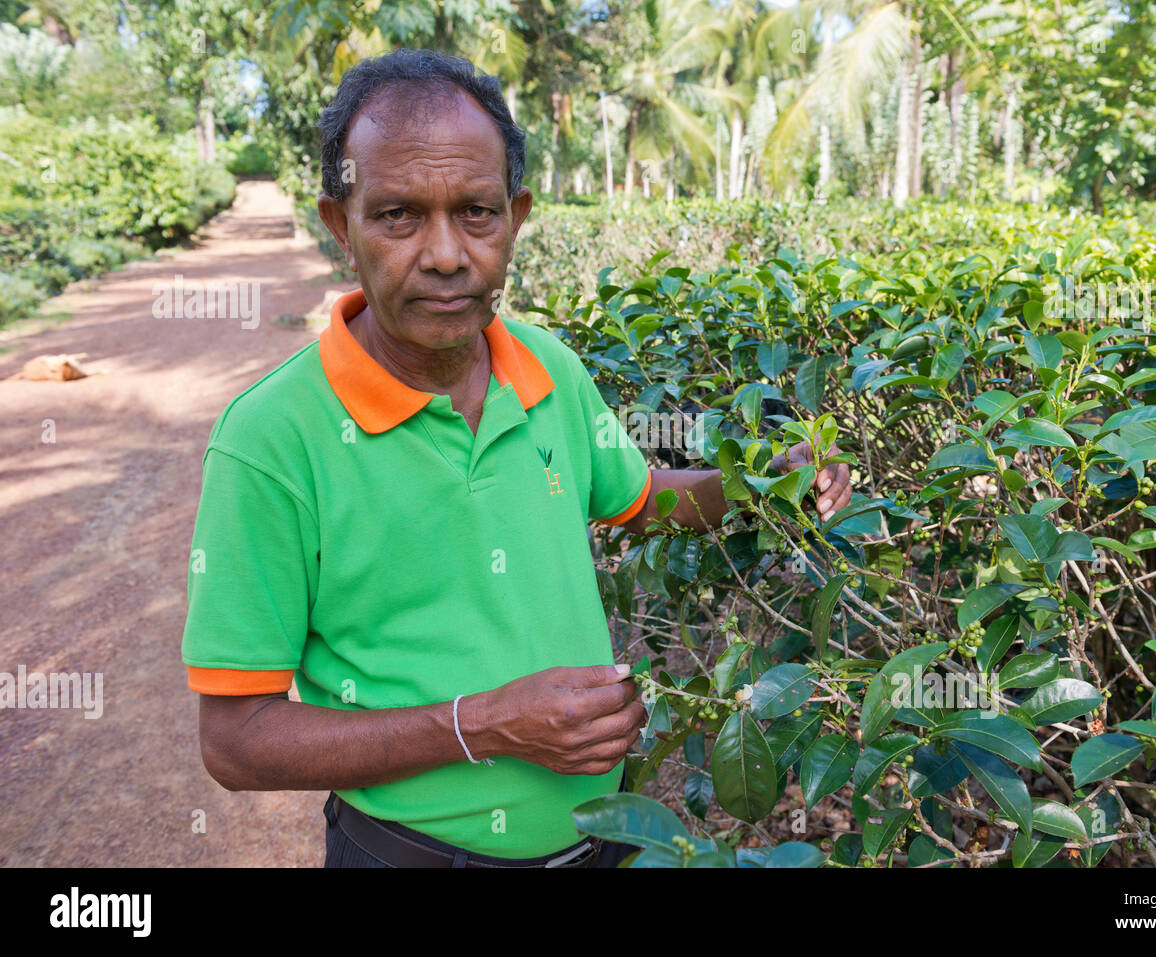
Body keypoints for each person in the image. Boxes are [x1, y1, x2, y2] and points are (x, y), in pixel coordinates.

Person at [181, 48, 851, 868]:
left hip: (599, 842)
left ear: (517, 217)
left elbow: (641, 499)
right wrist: (481, 724)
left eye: (476, 212)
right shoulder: (271, 439)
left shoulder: (550, 370)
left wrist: (763, 484)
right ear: (339, 228)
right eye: (397, 215)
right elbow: (238, 741)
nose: (446, 255)